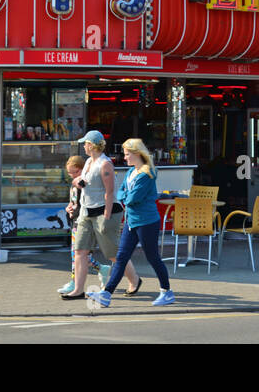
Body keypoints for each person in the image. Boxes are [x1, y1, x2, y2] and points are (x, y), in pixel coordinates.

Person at [88, 138, 175, 308]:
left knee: (153, 258)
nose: (125, 158)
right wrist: (125, 197)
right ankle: (106, 294)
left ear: (136, 154)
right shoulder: (131, 172)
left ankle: (167, 292)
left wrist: (126, 197)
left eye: (127, 154)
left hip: (147, 222)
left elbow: (133, 198)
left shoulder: (147, 174)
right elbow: (121, 193)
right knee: (121, 258)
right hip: (131, 221)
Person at [62, 131, 138, 300]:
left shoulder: (105, 164)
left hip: (106, 211)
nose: (83, 146)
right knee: (80, 250)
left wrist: (107, 216)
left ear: (92, 145)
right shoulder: (89, 161)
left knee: (111, 253)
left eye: (85, 143)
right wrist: (78, 182)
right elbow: (80, 180)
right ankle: (78, 290)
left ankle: (134, 280)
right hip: (86, 212)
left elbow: (110, 192)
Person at [58, 155, 108, 295]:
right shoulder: (74, 184)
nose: (72, 175)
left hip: (82, 221)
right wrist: (69, 207)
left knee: (78, 254)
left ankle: (75, 282)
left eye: (75, 172)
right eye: (69, 173)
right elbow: (74, 201)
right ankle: (101, 269)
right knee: (78, 254)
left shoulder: (84, 184)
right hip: (74, 220)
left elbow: (87, 202)